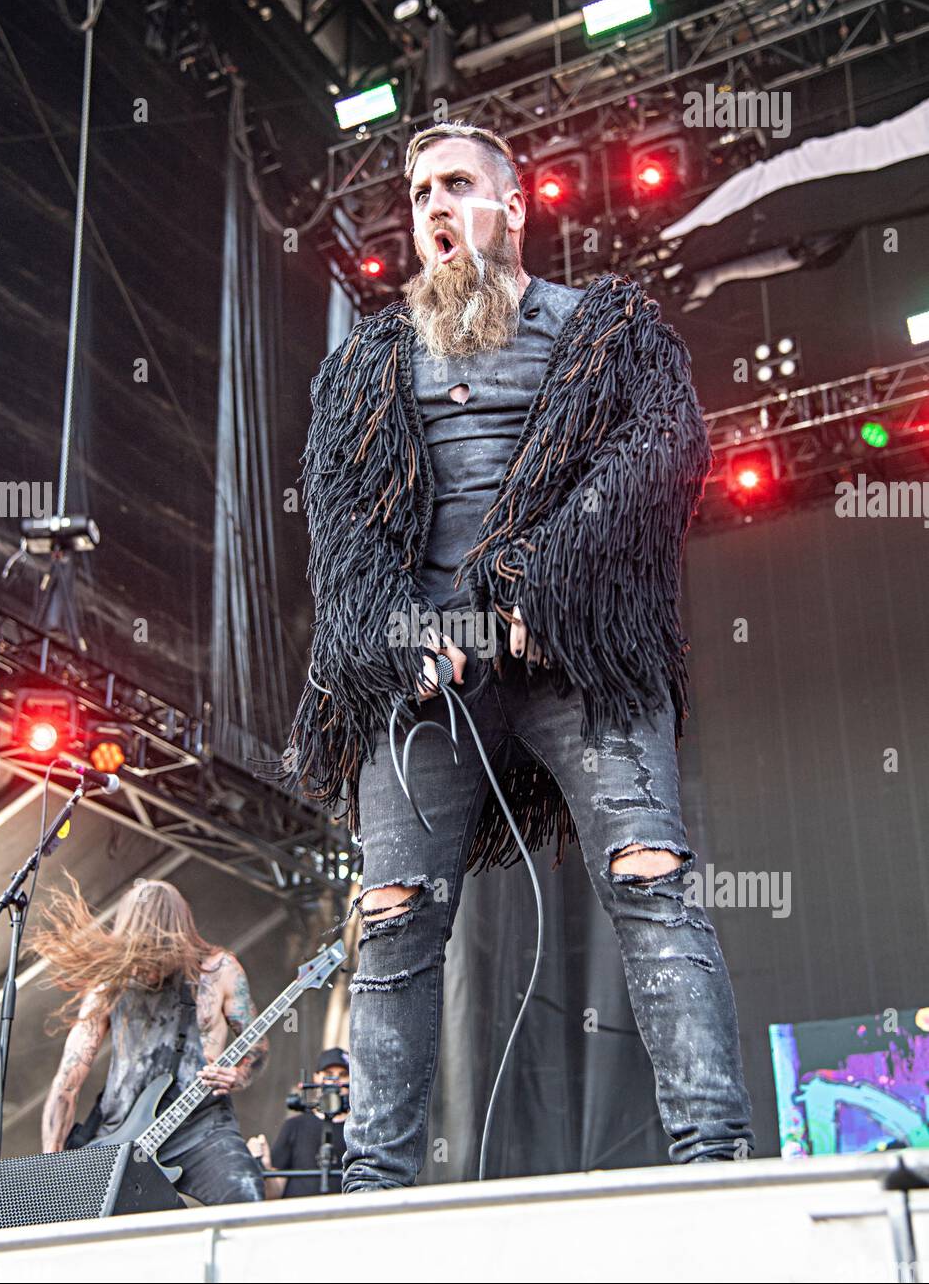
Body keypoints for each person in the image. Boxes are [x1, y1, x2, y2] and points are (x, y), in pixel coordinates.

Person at [277, 120, 756, 1189]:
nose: (433, 207)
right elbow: (344, 526)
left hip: (572, 652)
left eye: (456, 185)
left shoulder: (598, 325)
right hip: (425, 672)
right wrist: (398, 631)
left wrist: (553, 579)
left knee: (650, 877)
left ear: (513, 202)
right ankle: (371, 1186)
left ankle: (714, 1155)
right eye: (417, 195)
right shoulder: (368, 359)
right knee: (393, 912)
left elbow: (659, 451)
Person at [37, 876, 268, 1205]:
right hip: (121, 1134)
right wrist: (51, 1164)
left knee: (244, 1196)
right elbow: (68, 1079)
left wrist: (239, 1074)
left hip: (201, 1127)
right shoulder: (109, 983)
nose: (149, 970)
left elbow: (257, 1047)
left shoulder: (218, 971)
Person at [247, 1047, 350, 1198]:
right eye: (328, 1074)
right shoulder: (294, 1126)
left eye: (343, 1075)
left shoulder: (359, 1129)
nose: (335, 1081)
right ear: (316, 1078)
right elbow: (273, 1194)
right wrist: (265, 1167)